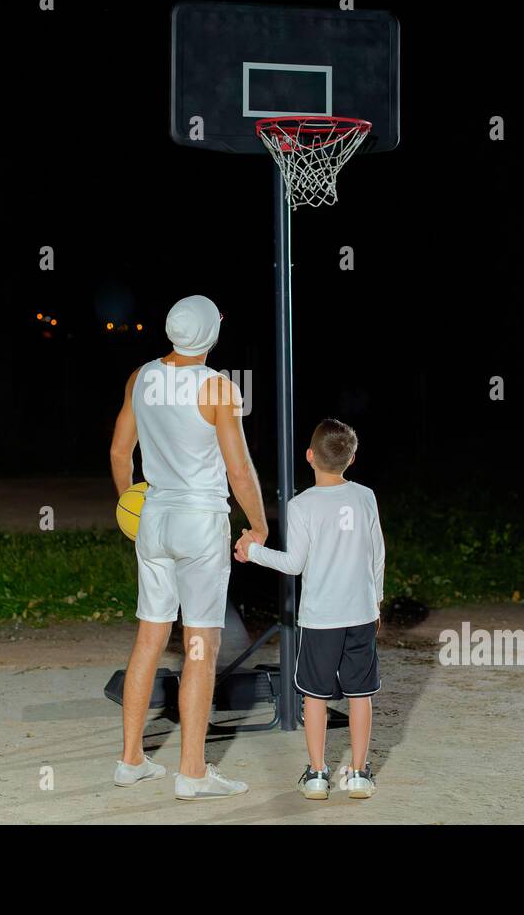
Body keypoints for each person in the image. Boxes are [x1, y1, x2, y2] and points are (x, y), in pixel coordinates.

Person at [109, 294, 269, 800]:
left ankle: (131, 760)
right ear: (210, 335)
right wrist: (260, 525)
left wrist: (130, 504)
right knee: (200, 648)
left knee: (149, 639)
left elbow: (119, 451)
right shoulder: (219, 388)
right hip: (200, 523)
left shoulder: (141, 377)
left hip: (155, 518)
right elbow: (239, 469)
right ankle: (193, 772)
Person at [235, 418, 385, 800]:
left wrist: (252, 551)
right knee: (360, 693)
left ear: (309, 456)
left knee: (315, 696)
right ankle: (360, 773)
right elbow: (377, 555)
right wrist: (377, 600)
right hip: (361, 612)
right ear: (352, 459)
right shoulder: (365, 496)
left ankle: (317, 773)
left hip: (321, 617)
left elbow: (294, 564)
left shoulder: (300, 505)